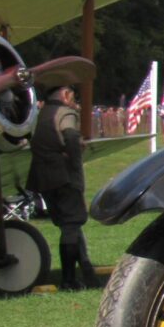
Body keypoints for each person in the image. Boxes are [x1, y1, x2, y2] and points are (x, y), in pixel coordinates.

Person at [28, 83, 100, 290]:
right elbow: (69, 135)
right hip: (63, 177)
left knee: (68, 225)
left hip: (43, 178)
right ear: (66, 95)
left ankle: (85, 271)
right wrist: (75, 159)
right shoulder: (65, 113)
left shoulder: (41, 114)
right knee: (71, 225)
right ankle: (68, 280)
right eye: (73, 97)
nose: (75, 102)